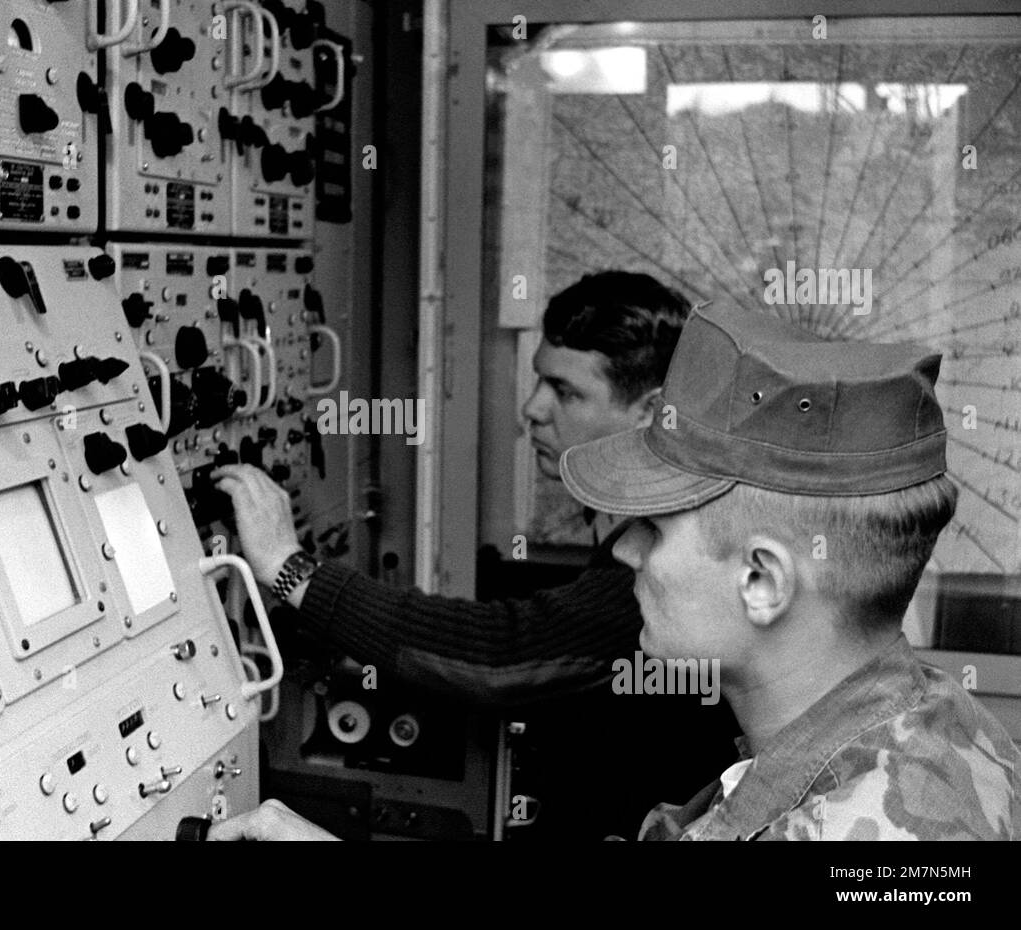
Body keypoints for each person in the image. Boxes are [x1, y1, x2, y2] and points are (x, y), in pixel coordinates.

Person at [211, 303, 1020, 840]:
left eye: (653, 528)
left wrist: (289, 575)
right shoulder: (936, 728)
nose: (623, 552)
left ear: (765, 582)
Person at [213, 271, 741, 839]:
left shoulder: (667, 556)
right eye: (539, 381)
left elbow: (503, 654)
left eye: (565, 392)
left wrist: (290, 571)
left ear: (650, 410)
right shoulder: (638, 522)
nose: (532, 409)